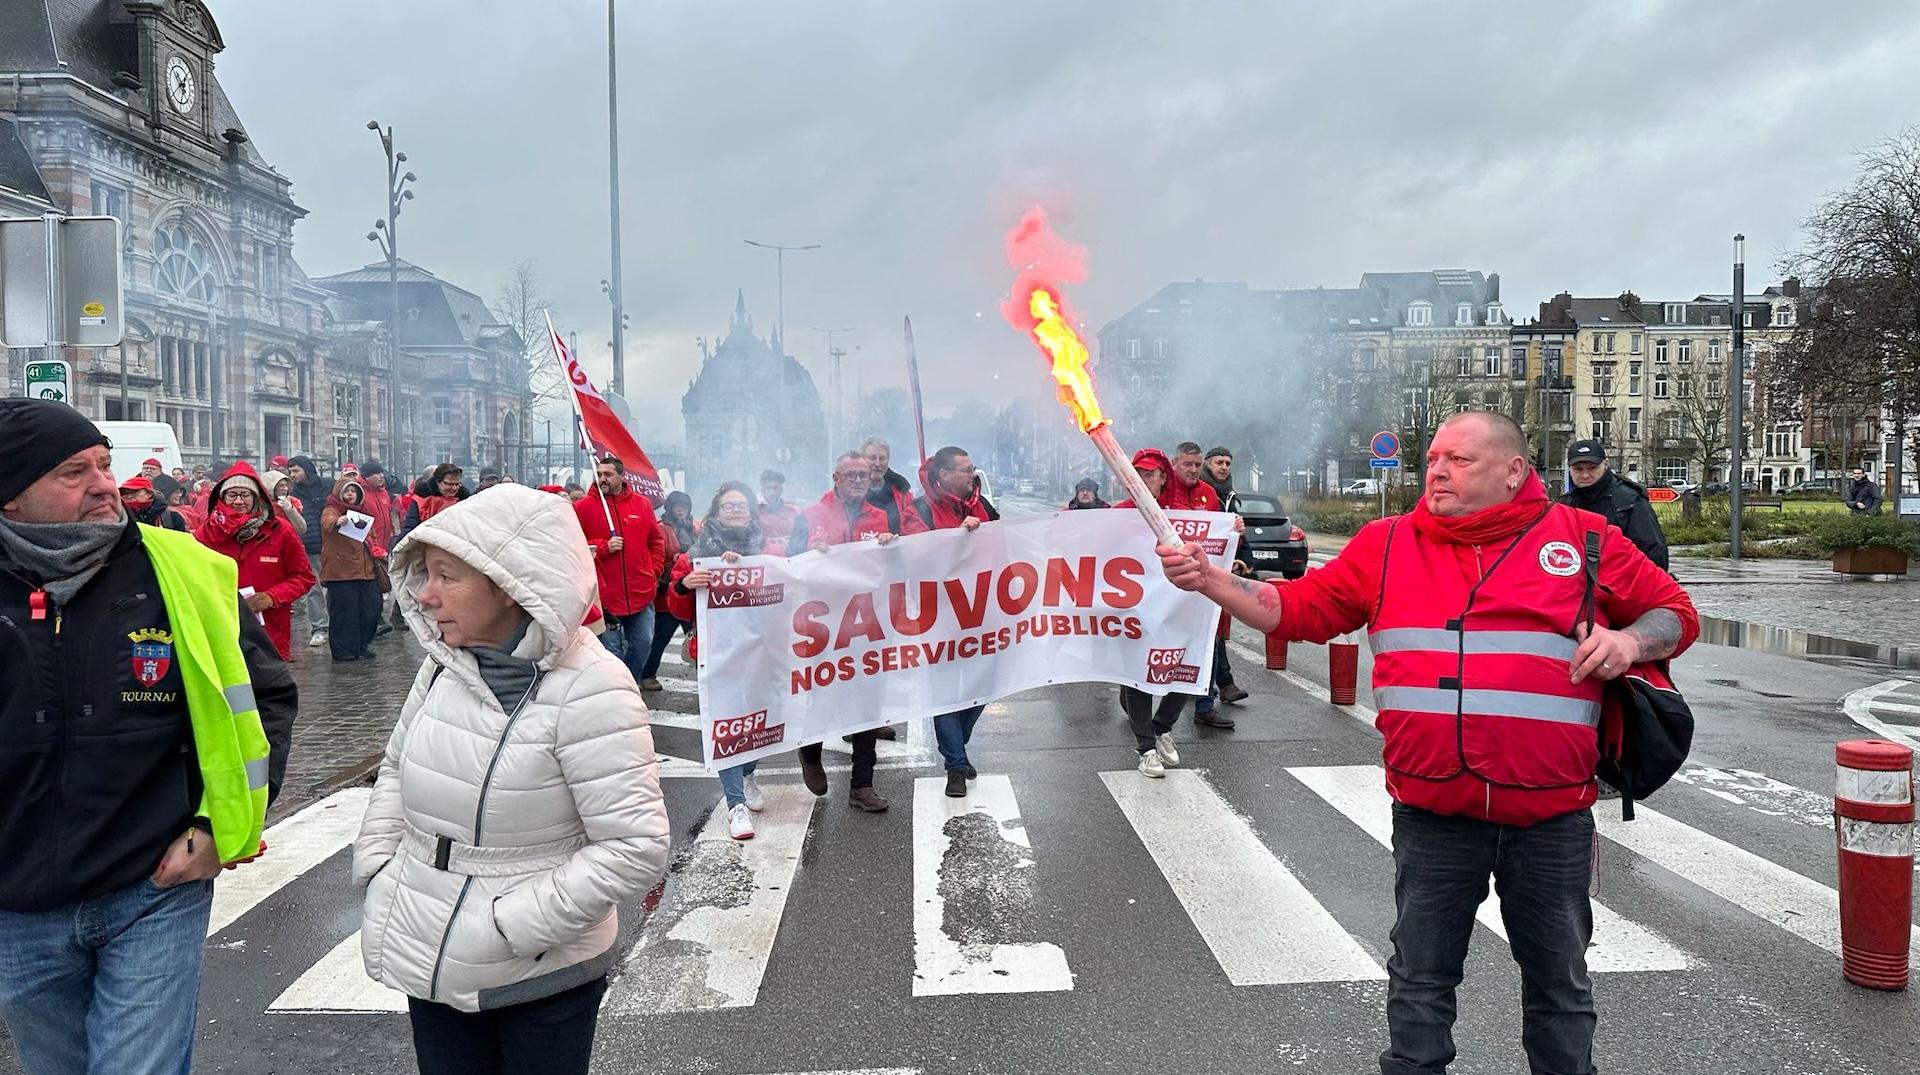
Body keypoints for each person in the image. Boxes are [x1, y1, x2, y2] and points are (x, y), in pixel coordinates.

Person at [1158, 410, 1698, 1075]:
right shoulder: (1387, 544)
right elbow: (1298, 610)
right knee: (1420, 983)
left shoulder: (1583, 540)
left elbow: (1676, 612)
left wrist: (1630, 640)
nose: (1436, 469)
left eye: (1459, 459)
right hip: (1435, 814)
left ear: (1513, 471)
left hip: (1550, 818)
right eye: (1434, 456)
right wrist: (1212, 580)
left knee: (1559, 988)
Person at [0, 400, 295, 1075]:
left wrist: (219, 829)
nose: (106, 484)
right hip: (18, 904)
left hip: (154, 886)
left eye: (105, 464)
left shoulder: (182, 569)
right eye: (75, 472)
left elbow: (265, 697)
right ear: (11, 496)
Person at [354, 483, 668, 1075]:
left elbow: (635, 846)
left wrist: (509, 926)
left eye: (448, 576)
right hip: (430, 947)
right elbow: (395, 767)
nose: (427, 594)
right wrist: (378, 867)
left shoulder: (592, 687)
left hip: (537, 971)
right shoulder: (441, 667)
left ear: (509, 582)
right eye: (425, 574)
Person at [668, 482, 785, 838]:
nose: (735, 512)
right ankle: (735, 803)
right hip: (718, 656)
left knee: (760, 721)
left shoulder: (770, 550)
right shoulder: (694, 556)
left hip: (762, 653)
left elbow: (792, 588)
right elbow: (678, 607)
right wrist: (685, 585)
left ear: (752, 512)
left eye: (742, 506)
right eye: (728, 507)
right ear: (715, 513)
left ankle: (748, 774)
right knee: (727, 726)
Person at [788, 450, 900, 811]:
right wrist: (811, 552)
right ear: (835, 478)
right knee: (824, 696)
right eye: (850, 475)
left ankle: (862, 785)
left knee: (868, 706)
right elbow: (789, 565)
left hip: (867, 624)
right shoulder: (811, 516)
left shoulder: (881, 516)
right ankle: (810, 752)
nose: (857, 481)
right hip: (825, 625)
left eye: (864, 476)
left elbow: (899, 562)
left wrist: (891, 547)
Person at [911, 446, 993, 797]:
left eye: (973, 468)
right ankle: (956, 764)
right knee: (946, 693)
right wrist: (957, 537)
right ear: (943, 474)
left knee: (983, 687)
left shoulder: (983, 506)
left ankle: (957, 747)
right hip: (940, 617)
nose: (972, 475)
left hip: (983, 614)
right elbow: (916, 556)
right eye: (965, 469)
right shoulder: (919, 511)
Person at [1109, 448, 1189, 777]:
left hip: (1177, 608)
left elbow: (1212, 546)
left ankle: (1161, 726)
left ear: (1162, 478)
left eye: (1148, 474)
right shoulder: (1118, 514)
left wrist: (1233, 530)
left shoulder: (1182, 516)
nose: (1141, 480)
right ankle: (1145, 747)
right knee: (1138, 679)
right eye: (1136, 474)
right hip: (1136, 610)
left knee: (1189, 671)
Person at [195, 461, 317, 661]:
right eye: (232, 495)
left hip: (268, 632)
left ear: (256, 497)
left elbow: (303, 577)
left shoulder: (281, 531)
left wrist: (271, 597)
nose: (238, 501)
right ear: (222, 497)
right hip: (220, 630)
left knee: (268, 690)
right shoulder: (206, 533)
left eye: (245, 495)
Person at [573, 455, 667, 687]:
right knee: (611, 653)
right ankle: (619, 691)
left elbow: (656, 541)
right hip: (605, 597)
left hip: (640, 590)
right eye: (599, 474)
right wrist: (604, 546)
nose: (602, 479)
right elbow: (573, 547)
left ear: (621, 476)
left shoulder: (642, 504)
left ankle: (630, 684)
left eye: (608, 474)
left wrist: (653, 570)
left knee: (643, 643)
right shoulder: (582, 508)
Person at [1563, 439, 1669, 572]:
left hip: (1622, 585)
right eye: (1578, 469)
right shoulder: (1566, 504)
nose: (1585, 475)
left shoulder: (1630, 500)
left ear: (1605, 465)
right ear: (1570, 469)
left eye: (1592, 468)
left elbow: (1654, 551)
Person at [320, 475, 382, 662]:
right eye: (346, 491)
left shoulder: (363, 511)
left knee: (371, 608)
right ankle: (343, 650)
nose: (349, 494)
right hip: (341, 572)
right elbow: (327, 521)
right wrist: (338, 521)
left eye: (353, 491)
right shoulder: (332, 509)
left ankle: (361, 645)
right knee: (344, 613)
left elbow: (371, 535)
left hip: (365, 569)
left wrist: (377, 549)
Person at [640, 490, 697, 691]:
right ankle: (647, 675)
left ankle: (708, 676)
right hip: (668, 593)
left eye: (684, 505)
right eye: (677, 506)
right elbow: (653, 556)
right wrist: (668, 564)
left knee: (699, 637)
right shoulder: (661, 529)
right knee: (662, 637)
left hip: (692, 592)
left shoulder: (695, 527)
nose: (681, 509)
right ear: (670, 508)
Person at [287, 455, 331, 647]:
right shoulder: (293, 493)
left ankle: (337, 623)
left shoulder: (327, 486)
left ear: (306, 469)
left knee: (334, 587)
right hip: (309, 546)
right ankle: (319, 627)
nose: (293, 475)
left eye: (296, 470)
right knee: (314, 589)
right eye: (290, 472)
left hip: (332, 544)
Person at [358, 461, 399, 636]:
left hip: (383, 545)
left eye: (382, 473)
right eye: (377, 474)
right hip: (366, 547)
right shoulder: (360, 493)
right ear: (367, 477)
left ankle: (377, 620)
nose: (382, 476)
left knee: (381, 583)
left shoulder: (383, 493)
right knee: (372, 586)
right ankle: (374, 621)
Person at [861, 436, 930, 536]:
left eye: (882, 458)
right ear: (862, 460)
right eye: (872, 458)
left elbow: (915, 527)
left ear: (888, 460)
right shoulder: (851, 494)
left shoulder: (903, 492)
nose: (877, 463)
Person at [397, 463, 470, 542]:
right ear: (438, 482)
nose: (454, 488)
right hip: (427, 545)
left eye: (457, 484)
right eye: (449, 484)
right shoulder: (421, 498)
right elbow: (410, 527)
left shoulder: (465, 500)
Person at [1164, 441, 1223, 512]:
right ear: (1173, 464)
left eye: (1198, 465)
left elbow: (1217, 521)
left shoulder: (1209, 492)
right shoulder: (1162, 490)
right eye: (1187, 464)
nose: (1193, 470)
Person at [120, 475, 189, 530]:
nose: (129, 496)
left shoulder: (171, 517)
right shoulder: (120, 517)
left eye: (133, 492)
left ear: (149, 493)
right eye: (124, 493)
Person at [757, 468, 799, 548]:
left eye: (775, 488)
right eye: (768, 488)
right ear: (762, 489)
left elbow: (801, 536)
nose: (772, 492)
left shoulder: (794, 512)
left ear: (781, 490)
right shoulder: (752, 512)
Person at [262, 469, 307, 538]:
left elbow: (301, 529)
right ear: (271, 487)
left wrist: (290, 510)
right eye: (281, 486)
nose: (285, 488)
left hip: (289, 542)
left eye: (286, 485)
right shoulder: (261, 504)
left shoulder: (293, 502)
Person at [1202, 446, 1238, 511]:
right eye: (1219, 463)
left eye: (1228, 464)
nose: (1224, 467)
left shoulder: (1230, 494)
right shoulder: (1196, 489)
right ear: (1208, 465)